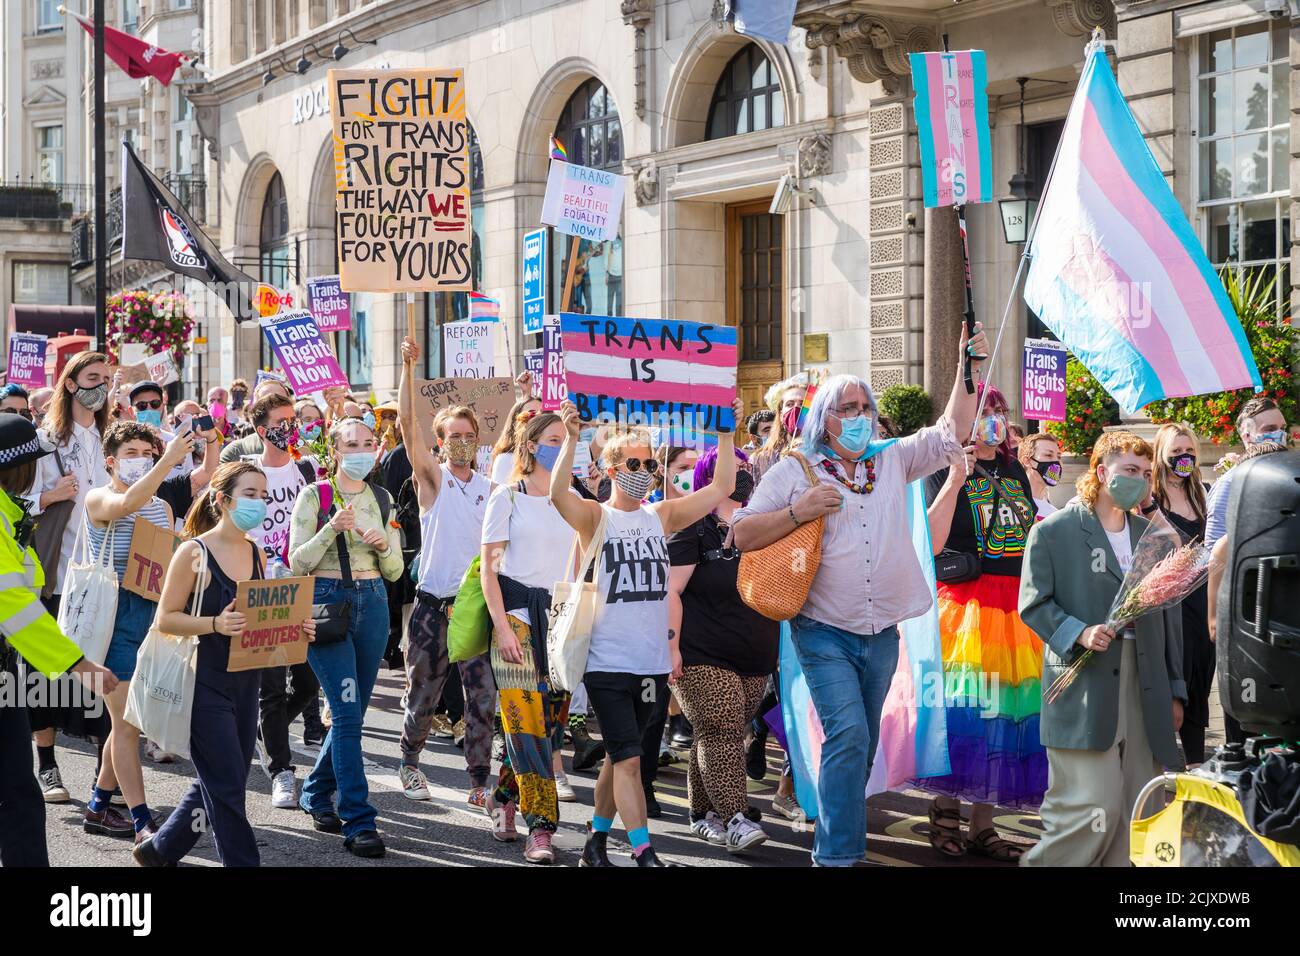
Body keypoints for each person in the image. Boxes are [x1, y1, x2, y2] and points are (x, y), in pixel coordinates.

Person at [733, 322, 989, 867]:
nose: (858, 415)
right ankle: (836, 856)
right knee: (848, 733)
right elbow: (742, 533)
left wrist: (967, 369)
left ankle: (839, 834)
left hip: (881, 635)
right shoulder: (794, 469)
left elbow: (951, 429)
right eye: (846, 408)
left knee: (861, 742)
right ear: (823, 419)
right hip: (821, 630)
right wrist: (799, 510)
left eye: (864, 406)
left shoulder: (893, 458)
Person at [550, 400, 741, 867]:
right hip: (607, 662)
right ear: (612, 468)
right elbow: (558, 496)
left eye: (649, 463)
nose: (643, 471)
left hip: (652, 662)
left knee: (621, 758)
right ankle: (642, 851)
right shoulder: (597, 518)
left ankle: (595, 843)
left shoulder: (661, 516)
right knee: (633, 761)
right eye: (632, 463)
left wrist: (725, 430)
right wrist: (572, 437)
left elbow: (723, 485)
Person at [135, 461, 317, 867]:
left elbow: (257, 618)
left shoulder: (254, 550)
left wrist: (295, 627)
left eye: (263, 495)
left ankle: (160, 850)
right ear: (222, 499)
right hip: (202, 682)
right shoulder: (193, 552)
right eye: (250, 494)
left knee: (222, 778)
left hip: (245, 682)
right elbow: (165, 618)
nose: (260, 502)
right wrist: (214, 623)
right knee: (229, 788)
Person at [1019, 431, 1186, 867]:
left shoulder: (1152, 537)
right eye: (1130, 470)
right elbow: (1033, 603)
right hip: (1084, 678)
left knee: (1138, 807)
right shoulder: (1054, 532)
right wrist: (1078, 631)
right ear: (1100, 471)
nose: (1140, 481)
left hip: (1145, 681)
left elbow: (1168, 619)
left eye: (1147, 474)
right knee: (1092, 808)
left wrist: (1175, 688)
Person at [921, 383, 1044, 861]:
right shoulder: (943, 466)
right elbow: (933, 536)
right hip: (965, 607)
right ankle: (944, 813)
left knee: (1007, 717)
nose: (991, 418)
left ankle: (983, 824)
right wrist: (956, 476)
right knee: (963, 713)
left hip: (1015, 608)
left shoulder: (1015, 470)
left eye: (998, 410)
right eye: (983, 410)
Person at [0, 415, 118, 866]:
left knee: (18, 793)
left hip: (6, 668)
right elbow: (17, 609)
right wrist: (79, 665)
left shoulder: (11, 517)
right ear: (19, 470)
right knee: (16, 794)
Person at [288, 416, 402, 858]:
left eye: (369, 443)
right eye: (351, 444)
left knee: (350, 712)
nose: (361, 451)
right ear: (334, 451)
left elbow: (395, 572)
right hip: (326, 603)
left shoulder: (383, 497)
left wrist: (383, 546)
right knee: (349, 715)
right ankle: (358, 817)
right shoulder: (313, 495)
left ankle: (316, 792)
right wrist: (331, 528)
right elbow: (298, 562)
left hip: (372, 603)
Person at [395, 337, 498, 809]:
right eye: (451, 435)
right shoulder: (432, 479)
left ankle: (479, 779)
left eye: (467, 433)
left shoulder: (492, 488)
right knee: (425, 696)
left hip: (475, 611)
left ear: (478, 438)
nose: (460, 441)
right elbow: (403, 423)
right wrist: (407, 366)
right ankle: (409, 761)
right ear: (441, 442)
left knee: (482, 701)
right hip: (433, 610)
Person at [83, 420, 194, 844]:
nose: (141, 460)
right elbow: (129, 501)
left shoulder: (162, 506)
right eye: (132, 453)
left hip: (152, 615)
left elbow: (172, 557)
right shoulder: (98, 497)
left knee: (127, 723)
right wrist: (167, 462)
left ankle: (97, 806)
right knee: (128, 725)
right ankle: (143, 820)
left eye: (146, 453)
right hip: (115, 618)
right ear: (110, 461)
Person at [668, 446, 777, 853]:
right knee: (722, 729)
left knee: (716, 733)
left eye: (748, 467)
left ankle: (702, 813)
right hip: (701, 652)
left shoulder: (762, 524)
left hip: (754, 652)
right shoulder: (692, 526)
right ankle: (735, 816)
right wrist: (671, 649)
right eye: (736, 468)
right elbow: (671, 591)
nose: (744, 474)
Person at [479, 410, 575, 863]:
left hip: (560, 623)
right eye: (554, 438)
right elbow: (489, 571)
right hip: (515, 618)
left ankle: (503, 798)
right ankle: (542, 828)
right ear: (532, 445)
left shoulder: (573, 498)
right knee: (524, 724)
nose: (562, 444)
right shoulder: (507, 497)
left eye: (568, 438)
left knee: (548, 728)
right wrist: (501, 627)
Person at [26, 352, 114, 804]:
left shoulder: (113, 440)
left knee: (104, 670)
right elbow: (16, 504)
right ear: (71, 384)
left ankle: (106, 774)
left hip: (106, 574)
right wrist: (49, 495)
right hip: (57, 573)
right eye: (91, 377)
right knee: (49, 672)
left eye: (106, 379)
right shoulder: (45, 441)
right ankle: (47, 764)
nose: (100, 386)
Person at [241, 393, 322, 809]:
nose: (291, 427)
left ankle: (262, 732)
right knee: (271, 688)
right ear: (261, 430)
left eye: (293, 420)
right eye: (282, 421)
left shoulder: (307, 470)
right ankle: (281, 771)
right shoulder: (246, 474)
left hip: (302, 585)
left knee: (308, 682)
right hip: (261, 591)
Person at [1148, 423, 1214, 767]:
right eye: (1175, 452)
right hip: (1168, 604)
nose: (1183, 458)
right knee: (1175, 684)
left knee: (1200, 684)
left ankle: (1194, 766)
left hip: (1202, 601)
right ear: (1161, 454)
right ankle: (1160, 768)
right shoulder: (1150, 497)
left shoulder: (1203, 493)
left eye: (1188, 451)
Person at [1205, 396, 1290, 547]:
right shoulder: (1229, 484)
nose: (1280, 435)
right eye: (1270, 429)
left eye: (1282, 428)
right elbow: (1213, 553)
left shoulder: (1288, 478)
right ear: (1247, 435)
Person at [220, 377, 295, 463]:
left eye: (281, 400)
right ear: (254, 410)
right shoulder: (235, 451)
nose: (275, 407)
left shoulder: (308, 447)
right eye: (265, 403)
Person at [751, 376, 807, 484]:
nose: (796, 409)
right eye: (790, 404)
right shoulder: (761, 459)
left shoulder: (825, 455)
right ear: (781, 415)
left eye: (802, 404)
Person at [488, 380, 542, 484]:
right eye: (531, 414)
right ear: (516, 421)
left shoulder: (549, 457)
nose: (538, 420)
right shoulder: (506, 460)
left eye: (542, 415)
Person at [1018, 432, 1063, 520]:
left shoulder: (1055, 514)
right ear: (1027, 461)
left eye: (1058, 457)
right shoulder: (1011, 505)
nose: (1056, 462)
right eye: (1048, 455)